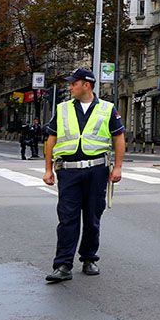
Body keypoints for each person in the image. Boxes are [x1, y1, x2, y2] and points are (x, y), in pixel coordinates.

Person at [42, 68, 125, 283]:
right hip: (68, 171)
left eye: (73, 84)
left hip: (97, 170)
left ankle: (89, 258)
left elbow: (119, 138)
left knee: (92, 217)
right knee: (67, 218)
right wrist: (48, 169)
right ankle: (62, 265)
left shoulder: (107, 109)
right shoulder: (62, 109)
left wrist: (117, 167)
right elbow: (51, 139)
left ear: (86, 85)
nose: (70, 87)